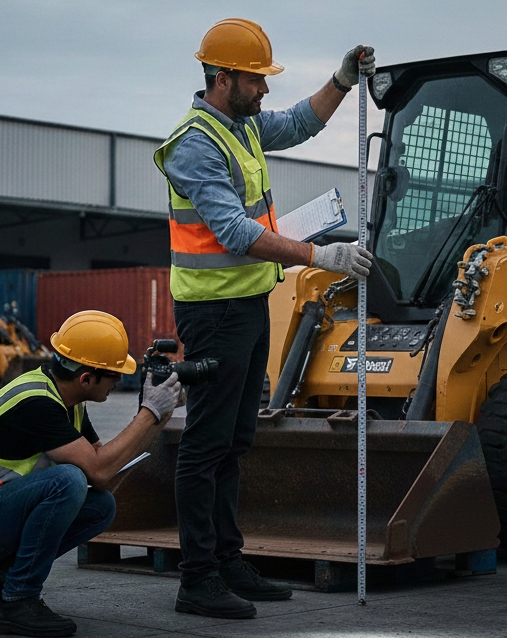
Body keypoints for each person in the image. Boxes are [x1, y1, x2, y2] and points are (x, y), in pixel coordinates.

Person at [152, 18, 376, 620]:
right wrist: (319, 256)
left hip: (246, 306)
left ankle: (227, 561)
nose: (265, 90)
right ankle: (197, 578)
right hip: (213, 313)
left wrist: (342, 80)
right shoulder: (195, 143)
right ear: (222, 79)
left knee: (234, 441)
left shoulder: (242, 125)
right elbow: (232, 230)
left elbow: (301, 122)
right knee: (207, 444)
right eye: (256, 79)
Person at [0, 310, 182, 637]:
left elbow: (105, 467)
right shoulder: (37, 403)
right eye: (113, 375)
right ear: (86, 379)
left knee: (100, 506)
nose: (119, 381)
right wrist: (149, 413)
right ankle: (17, 600)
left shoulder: (68, 400)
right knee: (68, 481)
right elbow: (98, 470)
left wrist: (159, 414)